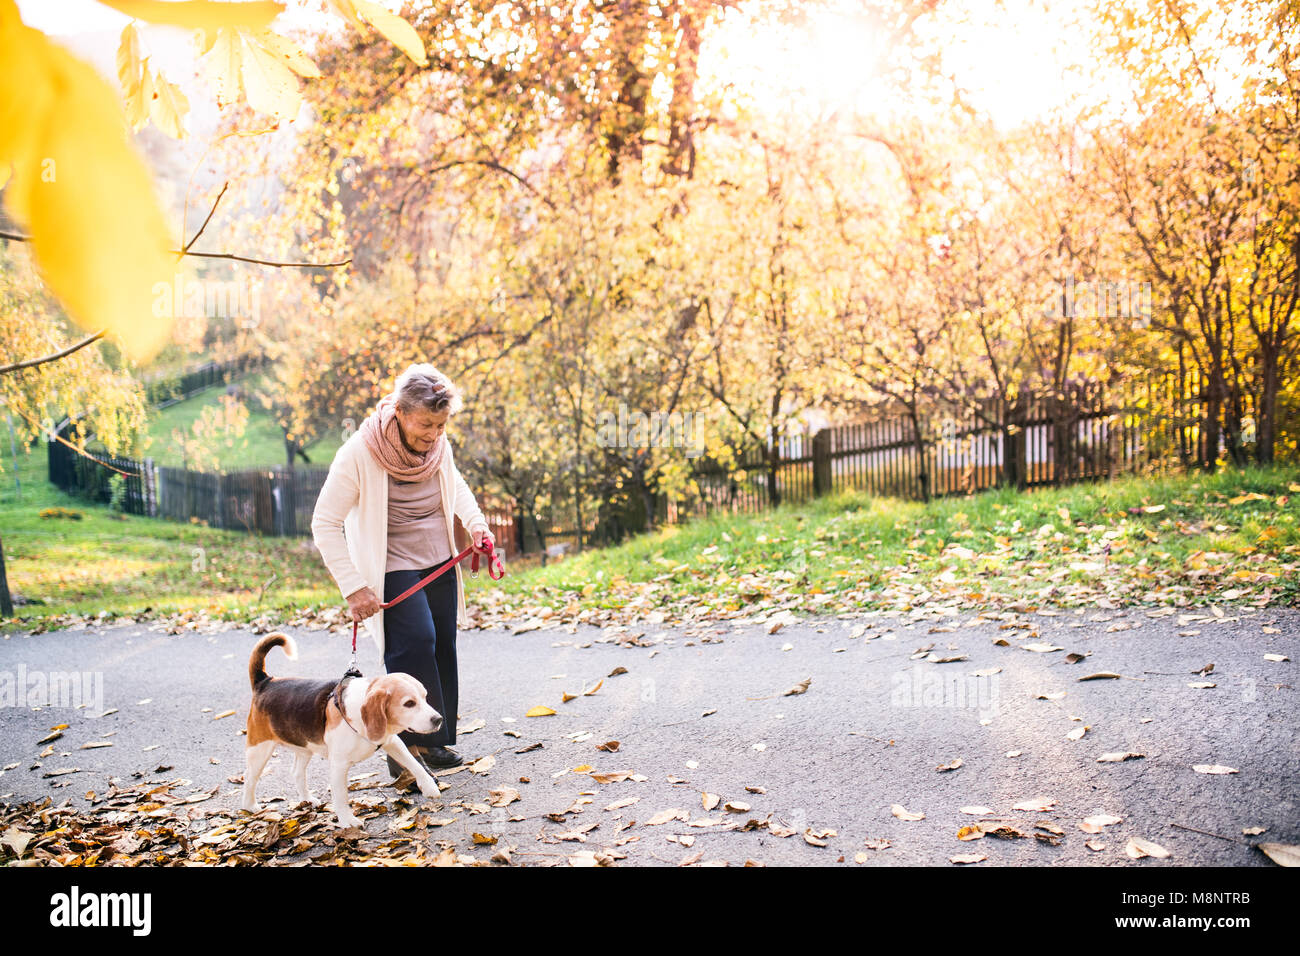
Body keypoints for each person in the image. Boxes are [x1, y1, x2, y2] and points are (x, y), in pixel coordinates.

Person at [311, 364, 495, 773]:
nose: (434, 434)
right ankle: (406, 756)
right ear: (399, 410)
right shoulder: (360, 452)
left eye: (442, 425)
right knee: (415, 644)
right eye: (426, 424)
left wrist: (476, 524)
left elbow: (455, 483)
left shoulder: (437, 446)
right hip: (392, 563)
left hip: (438, 558)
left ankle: (436, 743)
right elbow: (323, 523)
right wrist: (354, 587)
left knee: (442, 646)